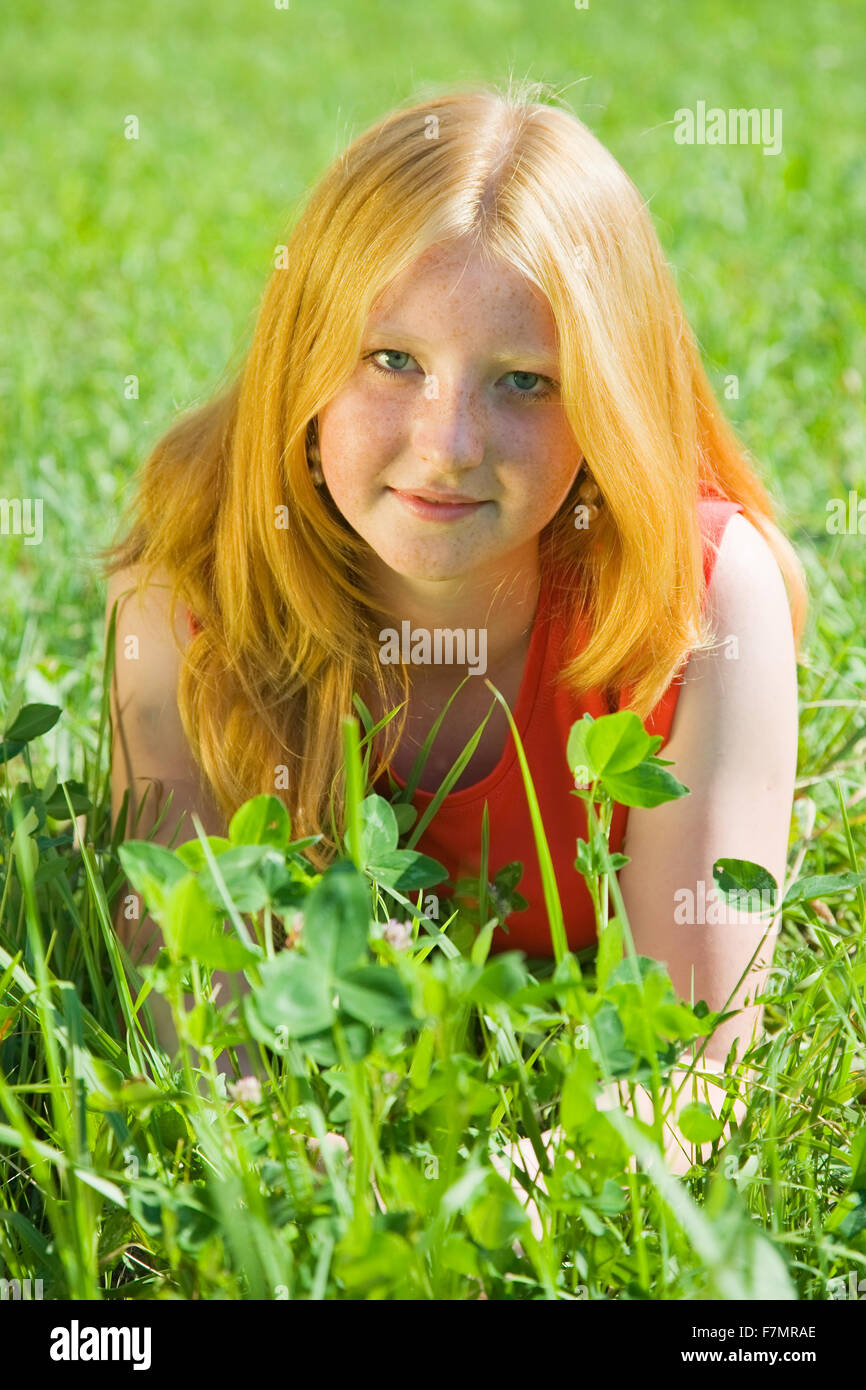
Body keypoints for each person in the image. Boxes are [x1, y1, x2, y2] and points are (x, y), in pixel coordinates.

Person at [101, 81, 806, 1163]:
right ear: (305, 359)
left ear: (607, 403)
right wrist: (305, 1209)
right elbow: (194, 1025)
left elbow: (694, 1061)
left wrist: (486, 1220)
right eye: (391, 361)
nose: (448, 444)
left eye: (525, 381)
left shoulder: (701, 598)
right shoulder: (190, 585)